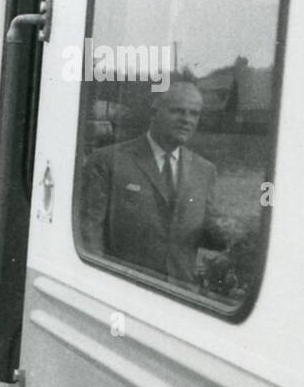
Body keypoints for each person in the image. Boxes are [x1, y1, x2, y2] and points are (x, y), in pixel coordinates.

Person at [79, 81, 227, 286]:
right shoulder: (107, 161)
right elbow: (88, 235)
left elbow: (210, 235)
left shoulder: (205, 171)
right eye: (178, 111)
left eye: (194, 114)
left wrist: (232, 233)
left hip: (181, 297)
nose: (187, 120)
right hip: (124, 292)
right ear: (154, 113)